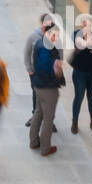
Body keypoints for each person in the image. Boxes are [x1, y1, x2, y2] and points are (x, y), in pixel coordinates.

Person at [29, 20, 64, 156]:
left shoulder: (40, 42)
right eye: (55, 34)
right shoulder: (45, 47)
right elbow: (45, 68)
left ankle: (33, 142)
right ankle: (45, 148)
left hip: (38, 85)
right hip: (48, 88)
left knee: (38, 113)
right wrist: (57, 68)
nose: (57, 38)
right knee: (48, 119)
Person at [69, 16, 92, 136]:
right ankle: (75, 122)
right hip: (79, 72)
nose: (84, 26)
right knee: (79, 97)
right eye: (83, 24)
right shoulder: (75, 35)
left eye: (87, 24)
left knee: (91, 99)